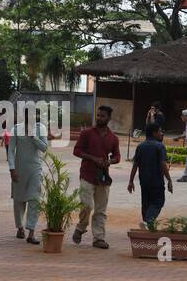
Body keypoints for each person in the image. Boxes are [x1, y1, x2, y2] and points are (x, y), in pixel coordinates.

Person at [71, 105, 121, 248]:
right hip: (87, 174)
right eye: (98, 115)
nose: (99, 118)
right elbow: (77, 151)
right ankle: (81, 227)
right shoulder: (87, 133)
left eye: (102, 116)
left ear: (109, 118)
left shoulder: (113, 138)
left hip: (103, 178)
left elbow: (117, 156)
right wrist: (93, 158)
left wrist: (109, 161)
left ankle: (98, 238)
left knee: (100, 210)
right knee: (87, 205)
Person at [7, 103, 48, 243]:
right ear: (23, 116)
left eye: (33, 115)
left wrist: (34, 137)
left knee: (34, 199)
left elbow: (44, 148)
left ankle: (31, 232)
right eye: (27, 114)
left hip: (35, 169)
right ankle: (19, 227)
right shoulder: (16, 129)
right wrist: (12, 169)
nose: (30, 117)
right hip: (18, 169)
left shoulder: (40, 128)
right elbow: (11, 150)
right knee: (19, 200)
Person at [128, 121, 173, 228]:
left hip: (143, 181)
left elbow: (135, 165)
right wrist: (169, 180)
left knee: (146, 203)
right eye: (160, 131)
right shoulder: (159, 146)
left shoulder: (140, 146)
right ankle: (148, 221)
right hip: (156, 181)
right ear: (154, 133)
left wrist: (130, 181)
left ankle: (146, 224)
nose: (162, 134)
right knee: (158, 202)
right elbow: (163, 164)